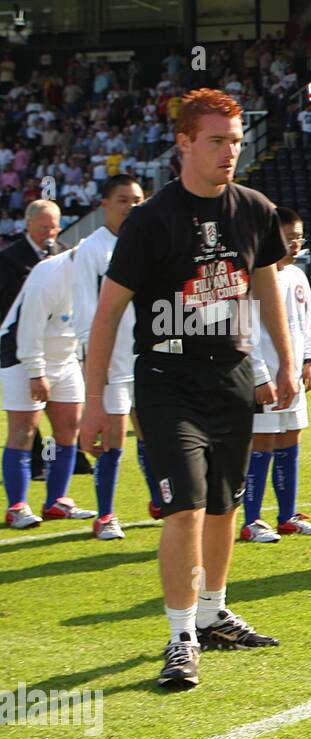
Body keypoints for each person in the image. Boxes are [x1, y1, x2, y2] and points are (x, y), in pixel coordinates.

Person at [79, 88, 299, 689]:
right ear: (183, 143)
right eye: (217, 141)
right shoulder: (151, 220)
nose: (230, 152)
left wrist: (285, 361)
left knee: (226, 504)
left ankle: (212, 614)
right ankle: (180, 636)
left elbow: (266, 288)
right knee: (185, 506)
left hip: (230, 375)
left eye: (236, 141)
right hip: (167, 378)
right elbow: (107, 316)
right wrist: (96, 402)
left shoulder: (255, 208)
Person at [71, 174, 165, 539]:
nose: (132, 207)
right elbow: (84, 311)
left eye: (138, 199)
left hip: (146, 355)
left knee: (152, 432)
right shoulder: (91, 250)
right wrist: (92, 360)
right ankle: (106, 515)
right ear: (104, 205)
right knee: (112, 438)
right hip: (111, 361)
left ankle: (159, 499)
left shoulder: (147, 245)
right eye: (123, 200)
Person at [241, 206, 311, 543]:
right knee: (261, 443)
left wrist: (309, 361)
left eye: (298, 238)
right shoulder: (252, 278)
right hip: (265, 380)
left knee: (291, 436)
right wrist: (259, 377)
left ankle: (287, 515)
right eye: (288, 238)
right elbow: (245, 333)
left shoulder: (297, 277)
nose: (295, 244)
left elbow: (308, 325)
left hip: (292, 377)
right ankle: (252, 520)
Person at [1, 243, 94, 528]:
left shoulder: (101, 270)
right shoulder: (49, 275)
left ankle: (56, 501)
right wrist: (36, 373)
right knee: (23, 431)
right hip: (20, 355)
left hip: (65, 358)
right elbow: (28, 330)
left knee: (68, 428)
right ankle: (17, 507)